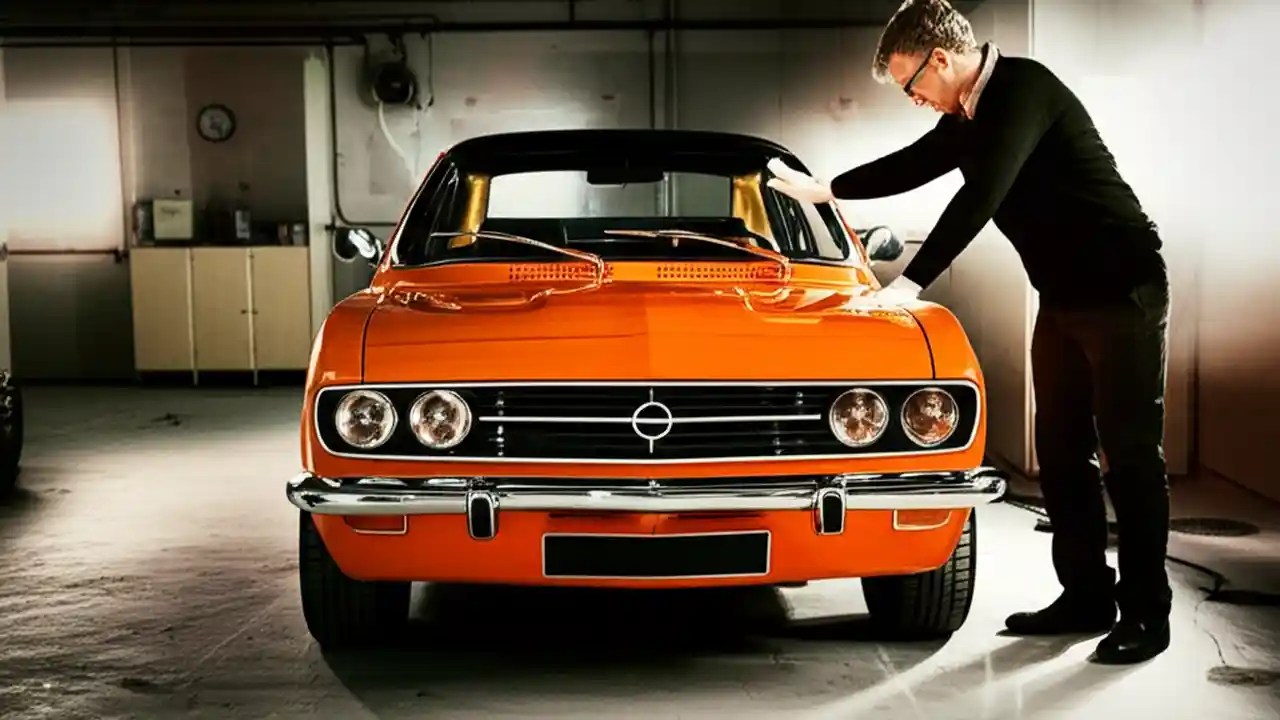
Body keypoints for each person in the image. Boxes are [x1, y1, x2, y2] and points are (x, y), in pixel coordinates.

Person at [768, 0, 1172, 665]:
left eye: (911, 84)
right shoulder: (966, 117)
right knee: (1062, 455)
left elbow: (978, 197)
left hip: (1124, 288)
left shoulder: (1023, 90)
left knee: (1130, 456)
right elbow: (911, 164)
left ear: (943, 59)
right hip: (1064, 297)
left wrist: (908, 283)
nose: (914, 99)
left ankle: (1146, 615)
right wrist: (827, 189)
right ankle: (1086, 597)